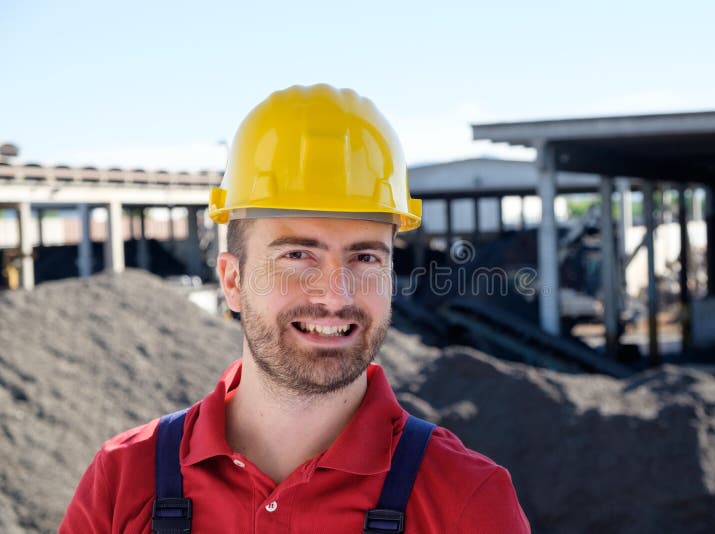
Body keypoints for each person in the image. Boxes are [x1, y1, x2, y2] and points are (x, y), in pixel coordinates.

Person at [61, 84, 531, 533]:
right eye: (297, 255)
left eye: (365, 257)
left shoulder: (466, 498)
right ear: (232, 281)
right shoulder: (123, 481)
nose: (335, 294)